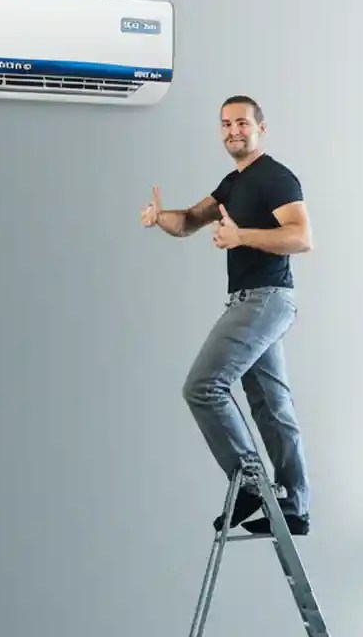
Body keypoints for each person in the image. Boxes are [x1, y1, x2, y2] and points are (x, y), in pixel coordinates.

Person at [140, 95, 313, 536]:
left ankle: (251, 484)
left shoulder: (276, 178)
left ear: (261, 128)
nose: (233, 130)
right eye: (225, 124)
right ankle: (295, 507)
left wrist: (242, 236)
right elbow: (188, 222)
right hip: (247, 300)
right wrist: (161, 216)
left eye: (241, 123)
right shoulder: (231, 186)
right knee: (273, 409)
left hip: (267, 297)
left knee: (203, 387)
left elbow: (300, 237)